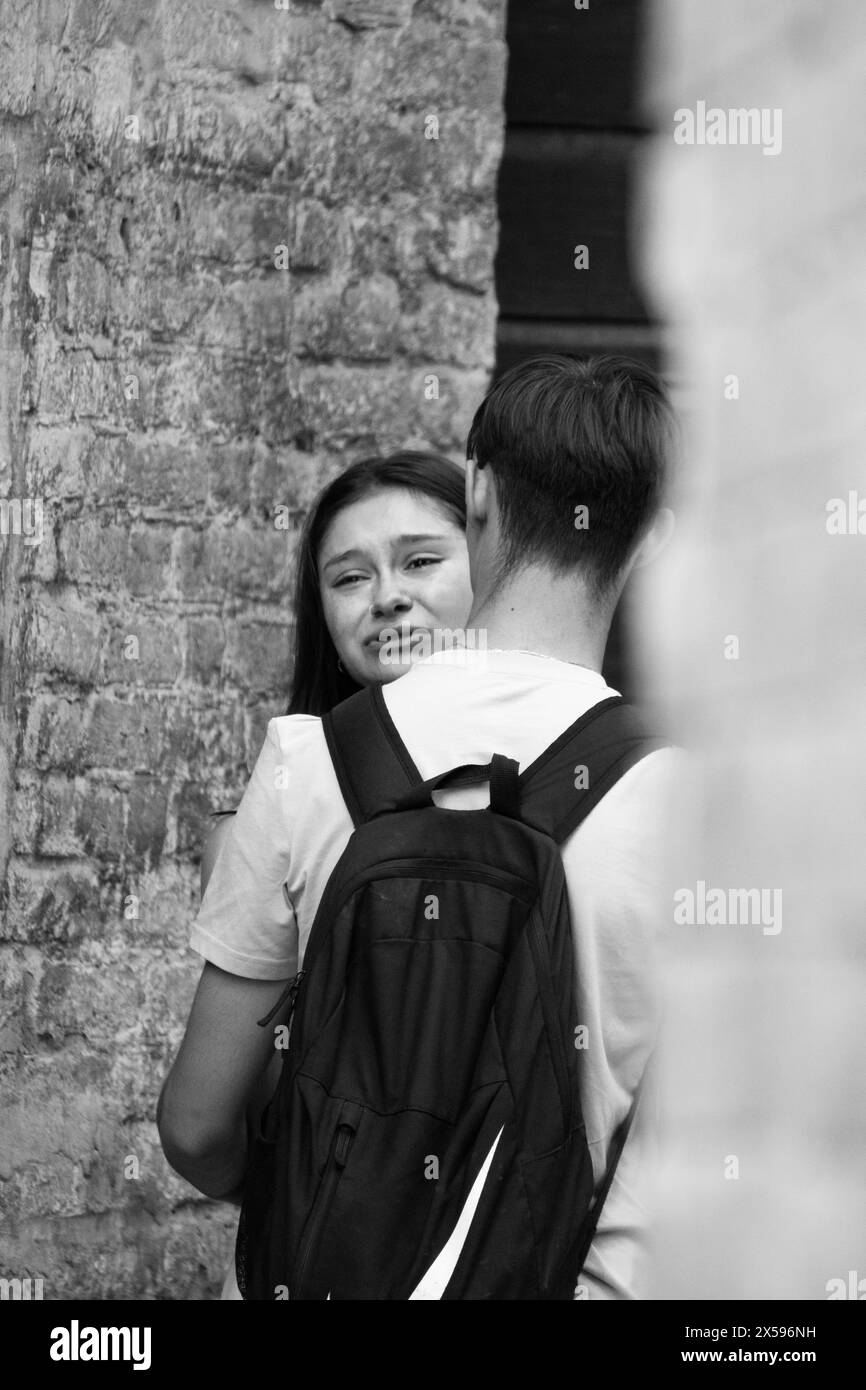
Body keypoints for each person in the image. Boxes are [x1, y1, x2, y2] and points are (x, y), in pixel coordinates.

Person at [158, 353, 681, 1300]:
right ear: (654, 543)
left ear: (475, 491)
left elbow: (195, 1125)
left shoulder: (307, 762)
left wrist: (314, 1209)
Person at [186, 449, 473, 1298]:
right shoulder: (606, 764)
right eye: (351, 578)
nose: (387, 594)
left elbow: (199, 1129)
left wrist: (312, 1195)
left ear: (491, 564)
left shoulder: (292, 777)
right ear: (323, 616)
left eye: (421, 561)